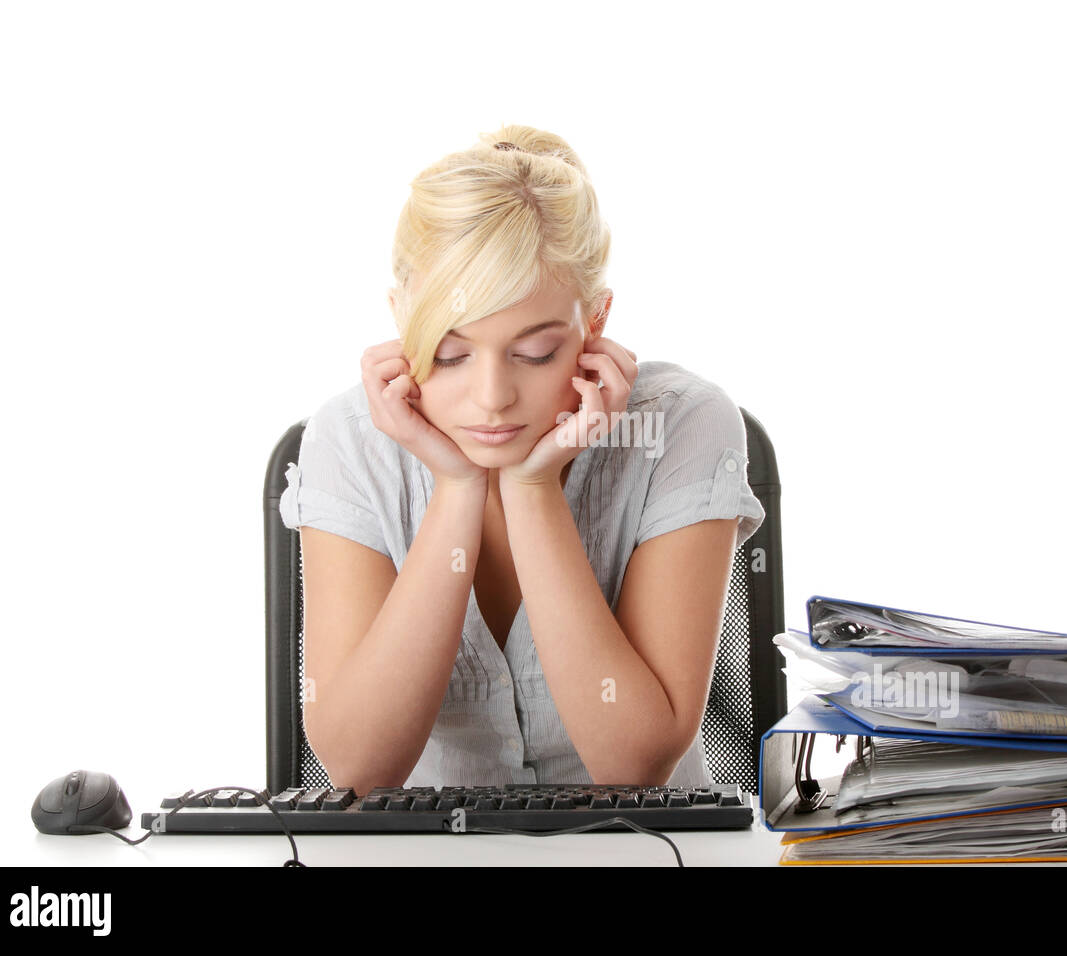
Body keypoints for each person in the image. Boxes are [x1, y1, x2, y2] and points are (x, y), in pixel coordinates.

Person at [279, 125, 765, 793]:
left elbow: (635, 767)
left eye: (535, 353)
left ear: (594, 324)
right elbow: (360, 770)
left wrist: (532, 488)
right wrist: (456, 486)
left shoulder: (680, 426)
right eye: (450, 355)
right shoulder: (348, 440)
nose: (492, 398)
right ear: (400, 322)